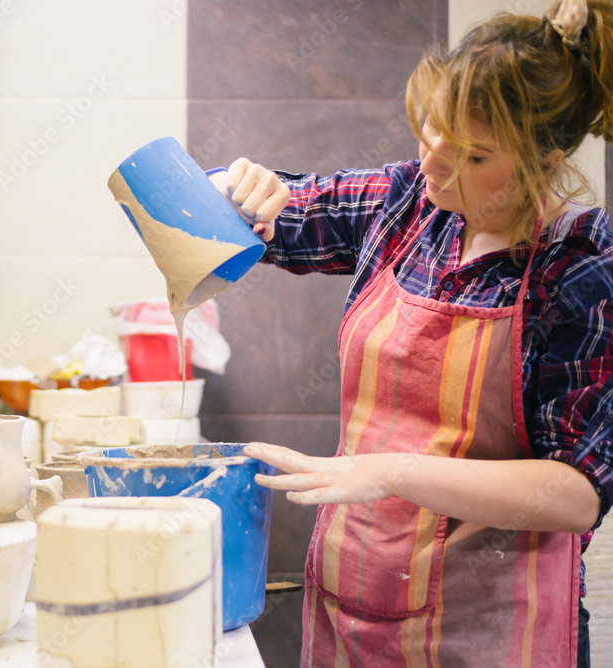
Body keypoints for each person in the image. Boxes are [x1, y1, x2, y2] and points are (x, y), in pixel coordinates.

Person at [210, 0, 613, 665]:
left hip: (490, 629)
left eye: (473, 155)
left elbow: (575, 493)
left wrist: (392, 472)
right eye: (433, 132)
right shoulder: (406, 206)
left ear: (544, 159)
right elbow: (275, 219)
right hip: (354, 608)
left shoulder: (578, 265)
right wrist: (238, 188)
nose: (434, 165)